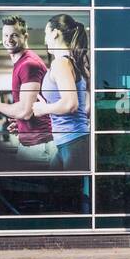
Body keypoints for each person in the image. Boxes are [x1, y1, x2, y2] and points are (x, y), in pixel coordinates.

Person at [0, 16, 54, 168]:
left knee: (31, 191)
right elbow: (29, 111)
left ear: (25, 36)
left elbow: (26, 111)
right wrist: (21, 123)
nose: (9, 39)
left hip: (37, 145)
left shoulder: (28, 64)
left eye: (14, 35)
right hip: (34, 143)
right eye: (5, 35)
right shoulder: (21, 63)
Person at [32, 14, 91, 172]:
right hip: (70, 142)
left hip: (73, 142)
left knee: (67, 194)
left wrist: (43, 109)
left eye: (46, 34)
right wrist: (50, 108)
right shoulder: (75, 62)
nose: (45, 40)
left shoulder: (61, 63)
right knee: (56, 190)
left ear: (55, 33)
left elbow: (70, 104)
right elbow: (86, 107)